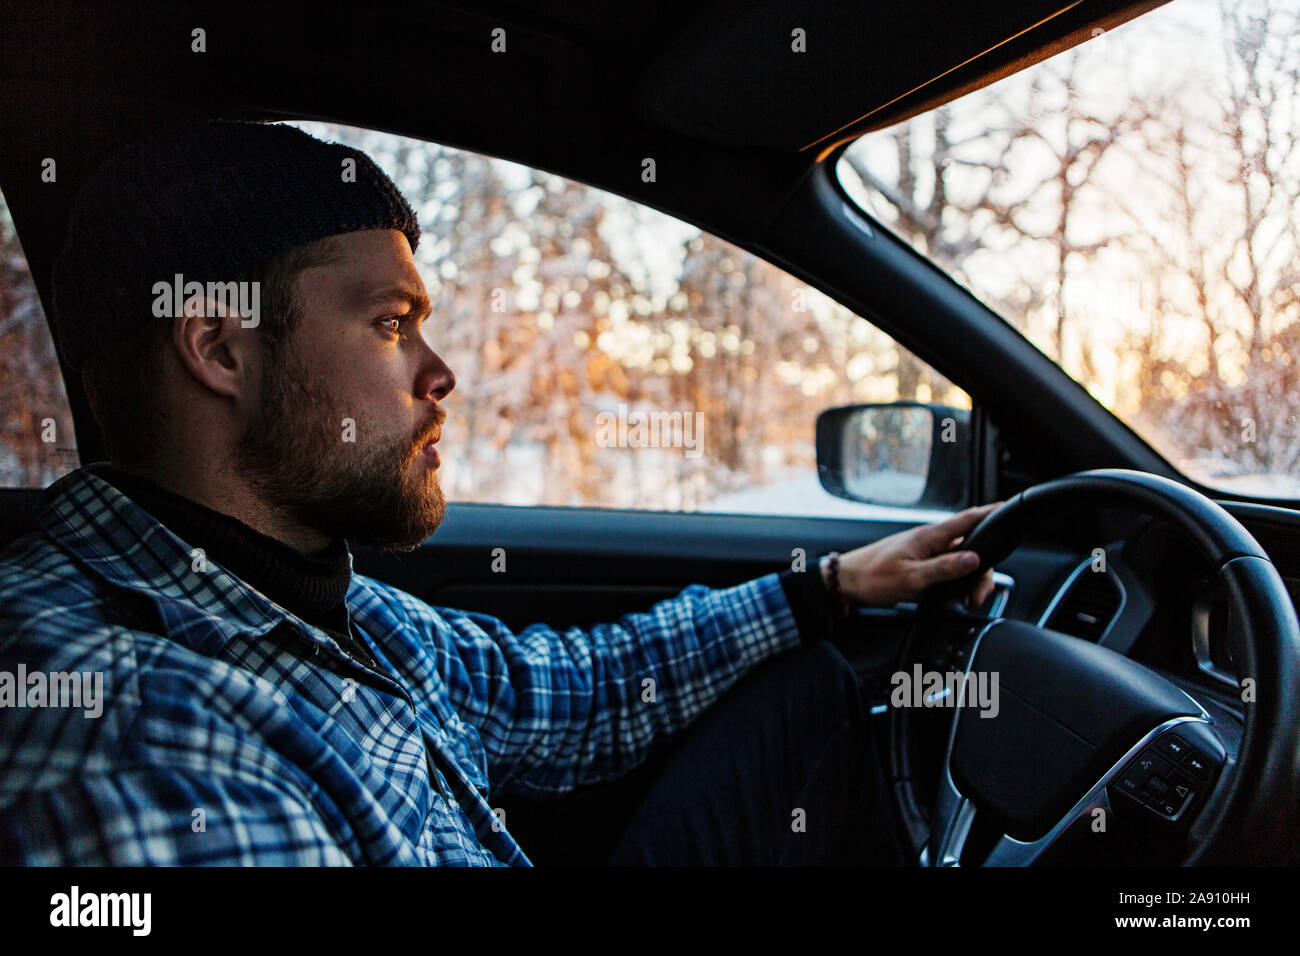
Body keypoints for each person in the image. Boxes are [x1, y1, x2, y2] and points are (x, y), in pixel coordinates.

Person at [0, 121, 996, 865]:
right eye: (391, 324)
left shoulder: (314, 599)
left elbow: (575, 691)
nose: (443, 375)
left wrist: (822, 590)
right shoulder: (131, 728)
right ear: (219, 346)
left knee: (803, 697)